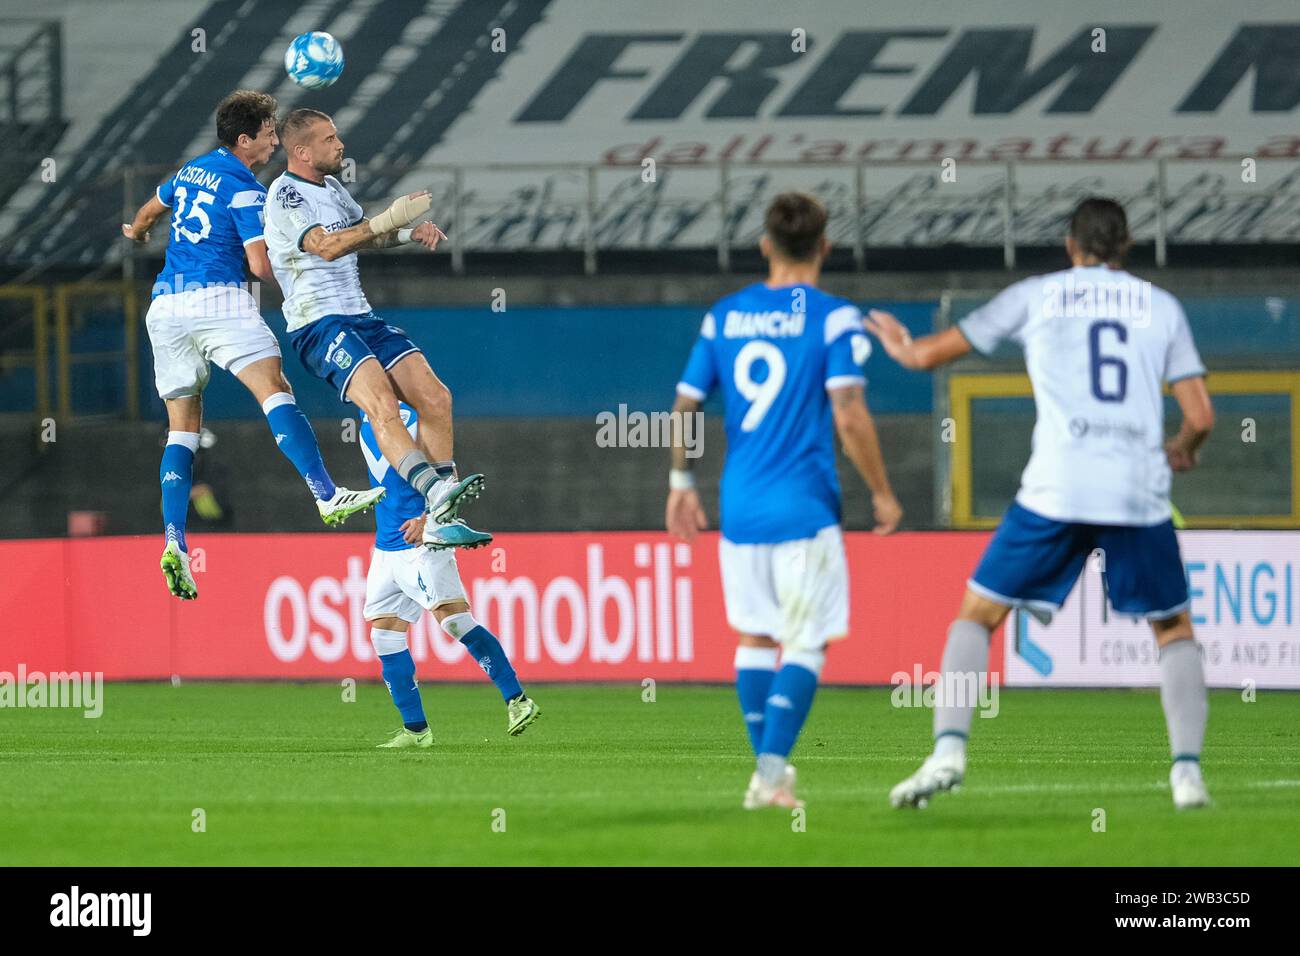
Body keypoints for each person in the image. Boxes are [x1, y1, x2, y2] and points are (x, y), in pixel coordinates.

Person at [867, 197, 1215, 811]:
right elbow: (1201, 417)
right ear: (1126, 246)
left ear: (1069, 245)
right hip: (1135, 490)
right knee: (1171, 627)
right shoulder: (1162, 306)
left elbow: (926, 357)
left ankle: (948, 752)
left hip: (1058, 486)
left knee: (977, 615)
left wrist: (902, 347)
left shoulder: (1036, 296)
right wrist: (1182, 449)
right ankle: (1187, 776)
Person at [666, 191, 902, 809]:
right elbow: (848, 413)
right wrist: (882, 491)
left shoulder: (724, 317)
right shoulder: (834, 318)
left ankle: (768, 778)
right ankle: (770, 776)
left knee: (754, 637)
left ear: (765, 245)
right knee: (805, 643)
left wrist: (681, 484)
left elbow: (685, 404)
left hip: (740, 507)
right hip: (803, 508)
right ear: (825, 246)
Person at [124, 90, 385, 602]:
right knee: (275, 388)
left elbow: (152, 208)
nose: (274, 142)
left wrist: (137, 231)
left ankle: (174, 539)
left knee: (182, 430)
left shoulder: (191, 170)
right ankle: (326, 494)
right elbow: (261, 265)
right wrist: (301, 288)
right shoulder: (246, 189)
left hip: (166, 306)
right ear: (244, 141)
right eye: (267, 134)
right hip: (218, 299)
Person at [263, 108, 488, 552]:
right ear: (302, 151)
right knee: (382, 403)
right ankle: (436, 493)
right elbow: (326, 247)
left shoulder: (334, 189)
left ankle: (438, 519)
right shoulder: (285, 195)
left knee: (436, 397)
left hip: (360, 317)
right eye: (329, 139)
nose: (340, 145)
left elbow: (365, 236)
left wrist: (406, 233)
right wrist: (386, 218)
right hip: (318, 324)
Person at [360, 403, 540, 747]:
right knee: (384, 636)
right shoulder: (369, 411)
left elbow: (447, 479)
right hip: (386, 548)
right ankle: (416, 731)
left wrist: (429, 519)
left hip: (422, 543)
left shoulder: (414, 414)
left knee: (455, 622)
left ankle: (518, 700)